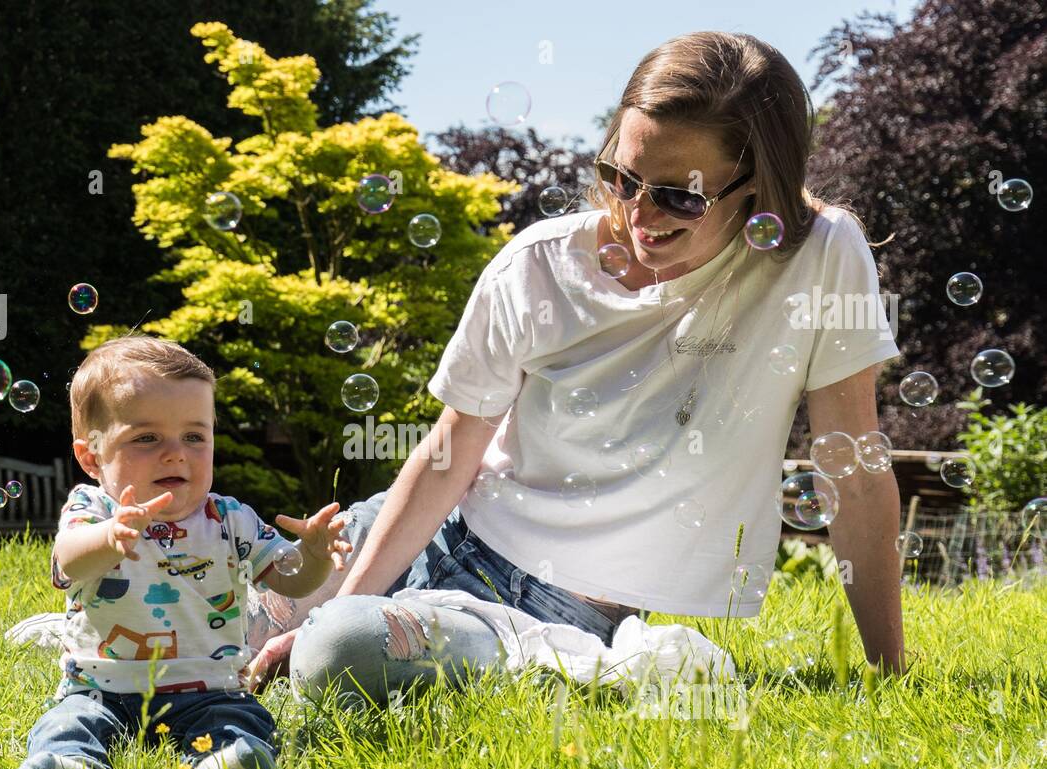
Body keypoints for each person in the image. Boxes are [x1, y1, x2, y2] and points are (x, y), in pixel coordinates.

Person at [244, 31, 909, 707]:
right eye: (624, 178)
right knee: (184, 618)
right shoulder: (538, 263)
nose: (638, 214)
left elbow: (852, 470)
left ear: (759, 184)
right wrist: (340, 598)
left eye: (680, 196)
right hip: (422, 531)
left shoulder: (817, 257)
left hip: (552, 610)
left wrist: (891, 677)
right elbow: (452, 451)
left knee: (336, 654)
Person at [12, 337, 352, 769]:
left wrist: (312, 558)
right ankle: (69, 768)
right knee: (70, 724)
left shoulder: (230, 519)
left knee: (238, 721)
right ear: (92, 456)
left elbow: (291, 582)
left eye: (194, 437)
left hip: (209, 690)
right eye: (146, 438)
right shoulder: (92, 507)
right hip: (100, 689)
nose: (176, 453)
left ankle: (220, 768)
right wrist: (110, 537)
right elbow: (68, 561)